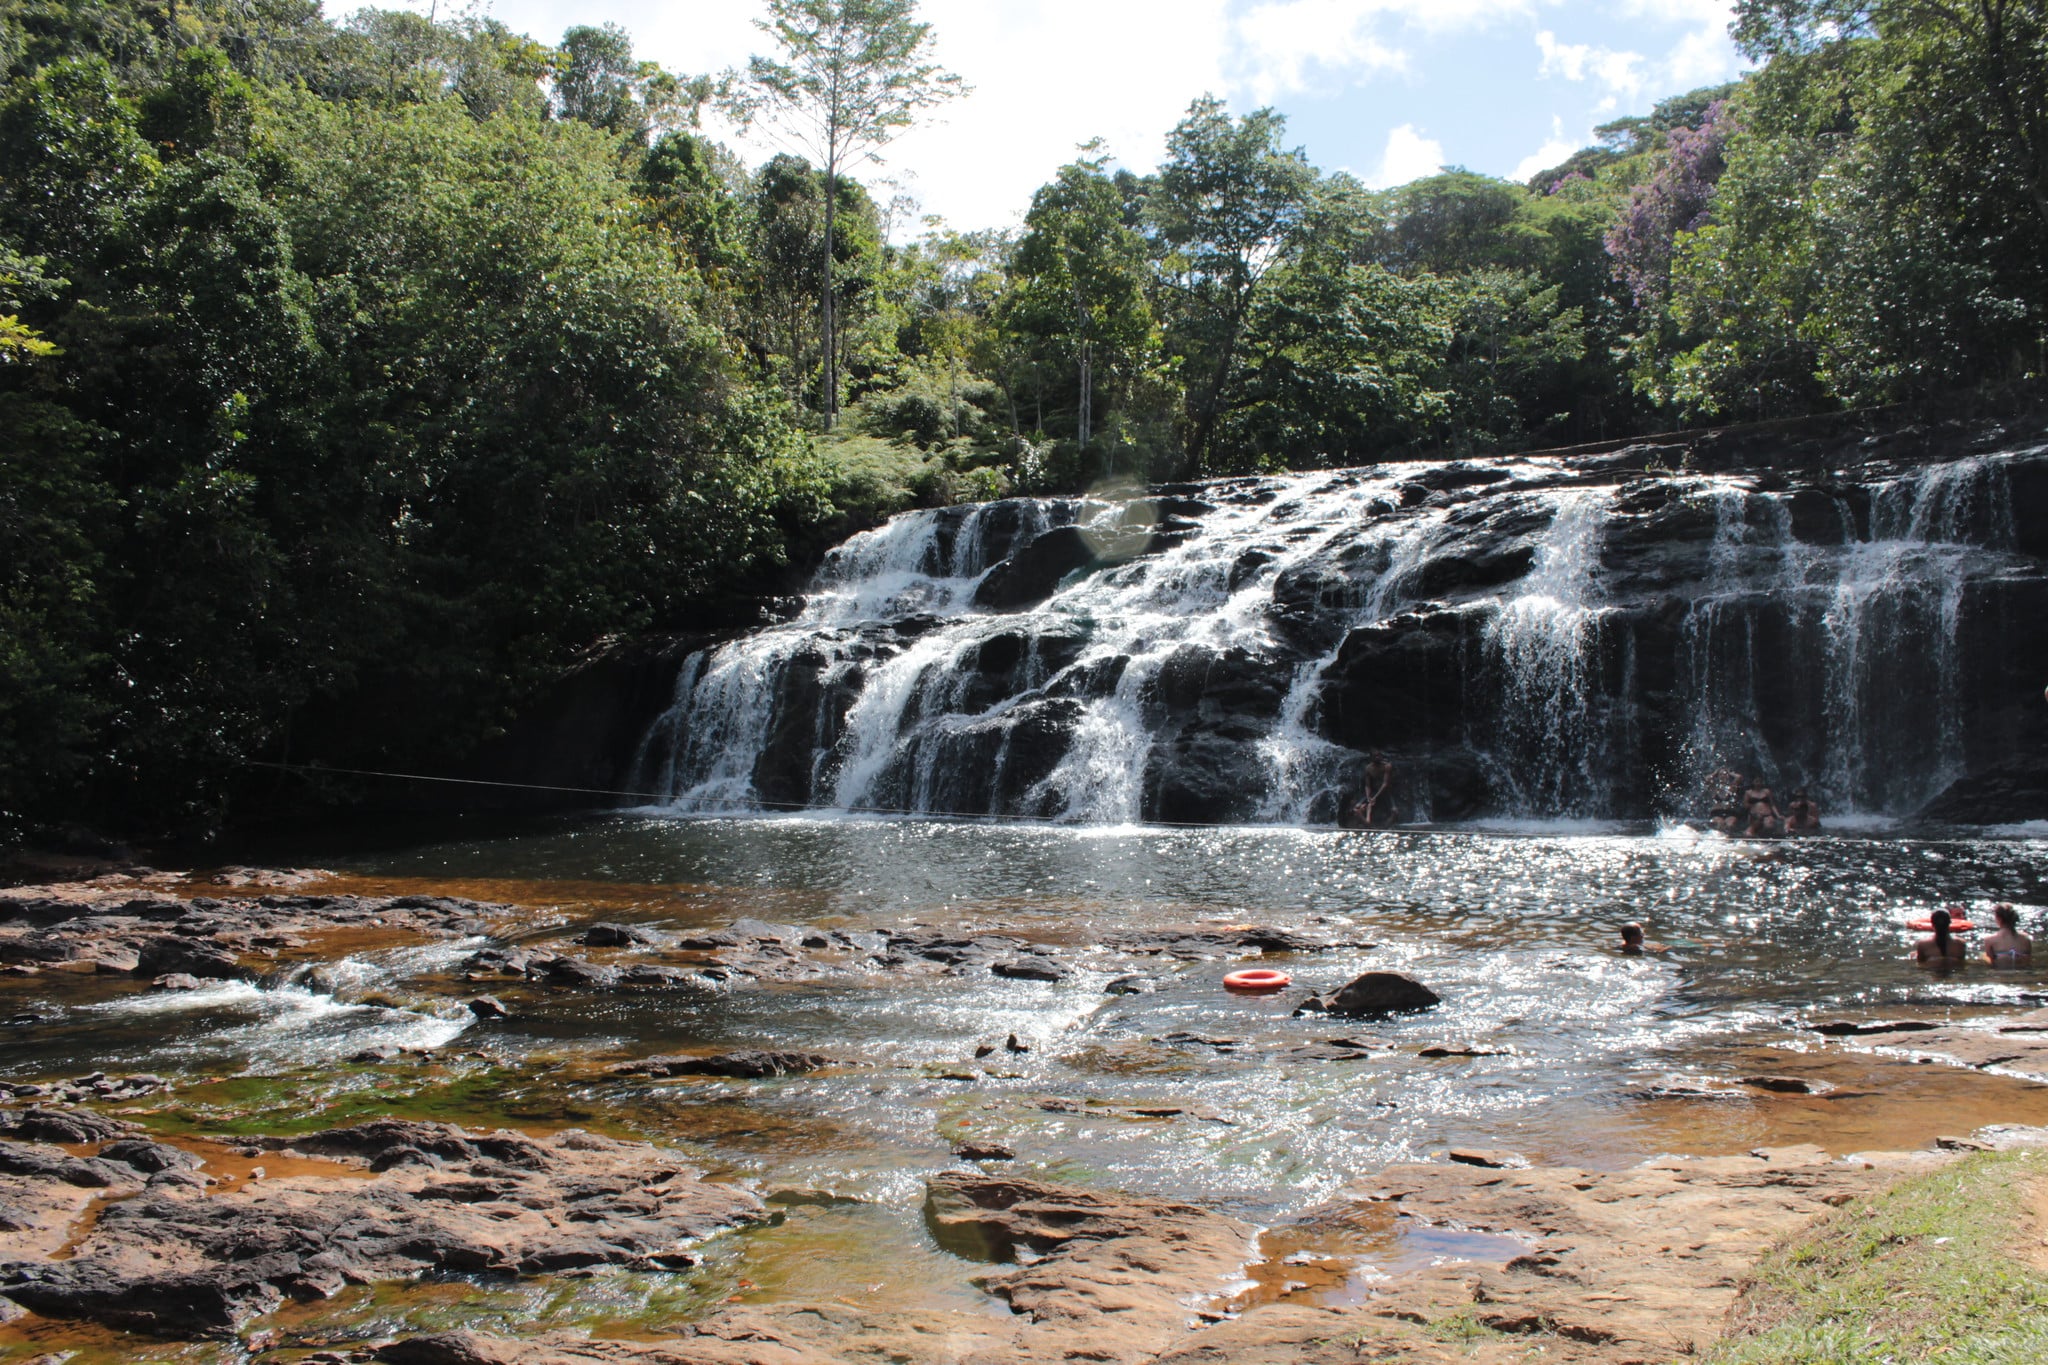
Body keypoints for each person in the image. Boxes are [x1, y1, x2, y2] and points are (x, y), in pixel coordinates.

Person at [1348, 751, 1395, 829]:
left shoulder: (1387, 766)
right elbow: (1367, 785)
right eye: (1375, 756)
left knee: (1394, 811)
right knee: (1357, 808)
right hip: (1373, 792)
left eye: (1379, 756)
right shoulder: (1368, 768)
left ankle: (1383, 826)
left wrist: (1375, 797)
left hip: (1385, 792)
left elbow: (1385, 784)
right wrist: (1368, 796)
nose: (1377, 757)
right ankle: (1368, 824)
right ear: (1371, 758)